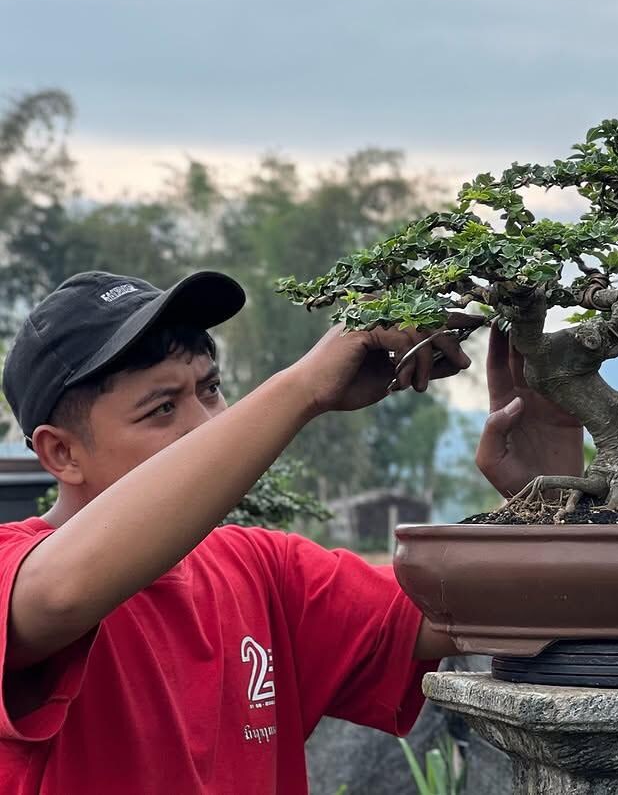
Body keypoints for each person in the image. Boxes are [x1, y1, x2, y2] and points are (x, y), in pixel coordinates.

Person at [0, 270, 584, 793]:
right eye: (161, 409)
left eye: (209, 389)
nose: (210, 423)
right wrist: (303, 388)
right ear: (61, 452)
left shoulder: (262, 571)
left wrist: (551, 501)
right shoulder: (14, 569)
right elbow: (59, 594)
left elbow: (480, 612)